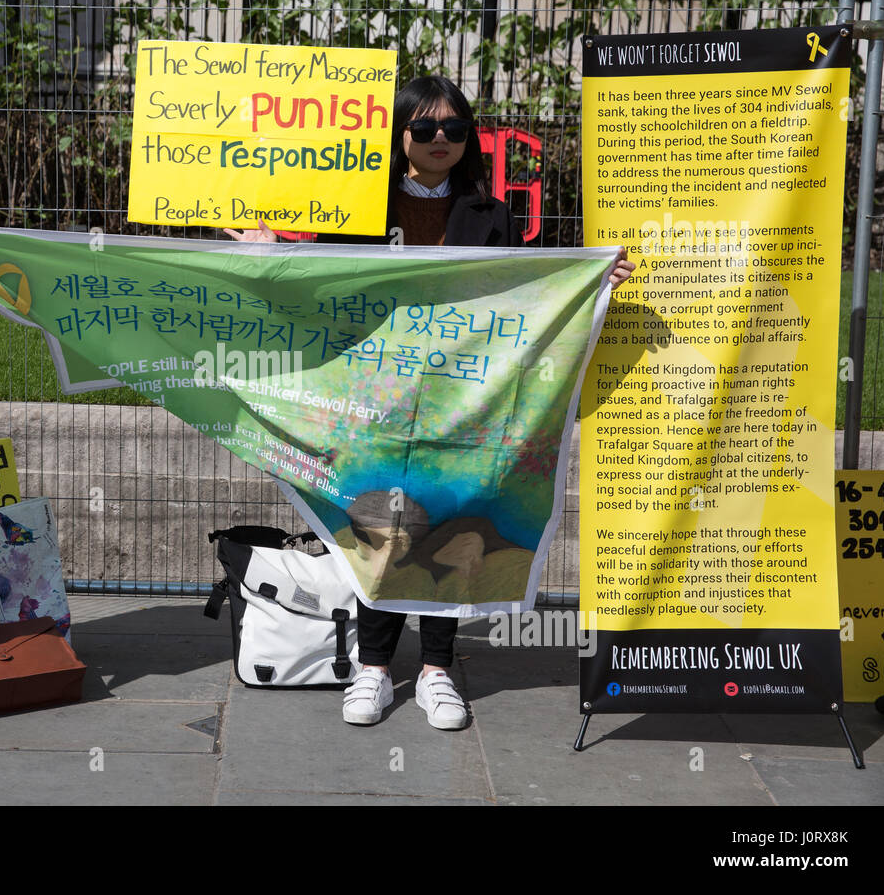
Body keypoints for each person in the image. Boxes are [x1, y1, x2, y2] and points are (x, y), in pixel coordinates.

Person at [225, 75, 635, 730]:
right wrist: (269, 254)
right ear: (400, 136)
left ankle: (439, 673)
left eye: (453, 128)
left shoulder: (490, 213)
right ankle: (375, 670)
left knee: (451, 526)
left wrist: (593, 278)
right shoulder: (358, 209)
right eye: (423, 128)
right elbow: (321, 286)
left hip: (461, 403)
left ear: (468, 138)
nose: (439, 139)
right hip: (377, 397)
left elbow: (526, 288)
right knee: (382, 528)